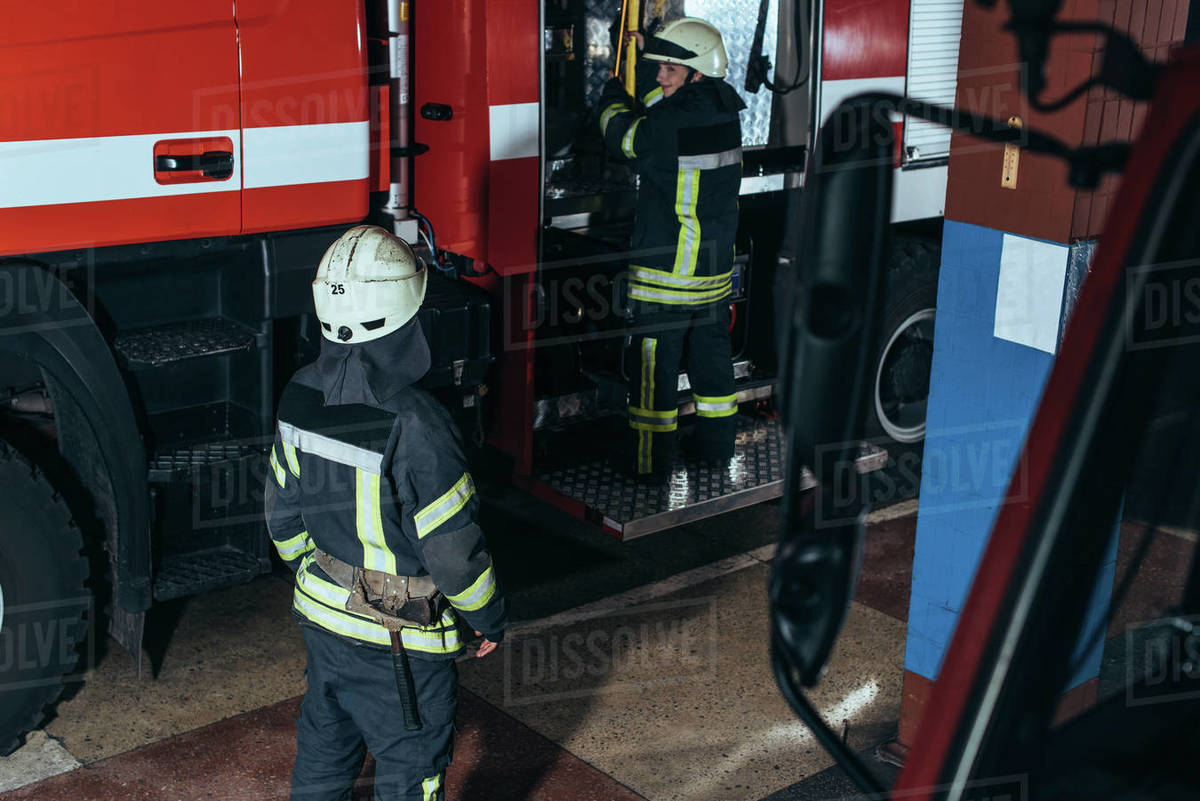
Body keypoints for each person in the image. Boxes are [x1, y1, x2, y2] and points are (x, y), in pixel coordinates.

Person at [264, 225, 508, 801]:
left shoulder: (299, 392)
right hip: (400, 641)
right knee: (410, 772)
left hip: (322, 620)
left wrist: (323, 575)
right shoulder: (419, 423)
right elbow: (452, 549)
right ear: (407, 317)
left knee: (324, 758)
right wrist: (487, 617)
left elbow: (281, 513)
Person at [599, 17, 746, 481]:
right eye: (659, 68)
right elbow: (663, 110)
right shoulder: (722, 107)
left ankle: (648, 465)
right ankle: (716, 450)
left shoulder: (671, 123)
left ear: (696, 73)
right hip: (712, 272)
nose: (661, 77)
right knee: (713, 370)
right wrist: (647, 67)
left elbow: (625, 138)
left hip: (668, 276)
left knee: (653, 377)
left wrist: (608, 96)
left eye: (669, 70)